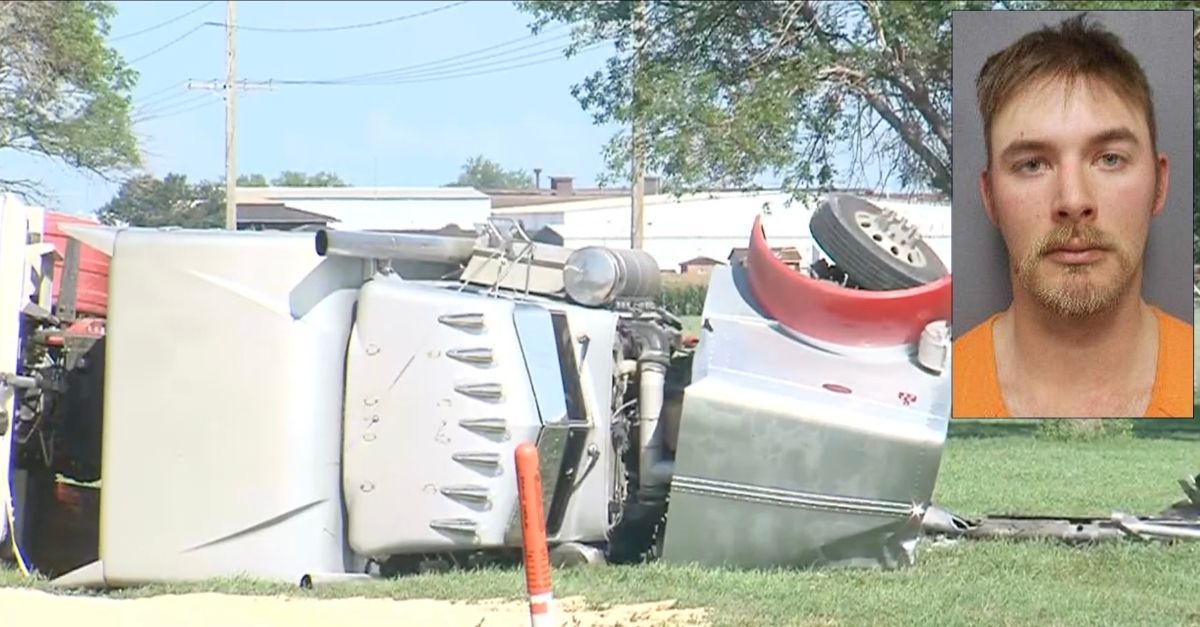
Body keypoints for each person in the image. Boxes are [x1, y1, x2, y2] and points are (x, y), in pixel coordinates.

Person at [952, 14, 1192, 418]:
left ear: (1160, 185)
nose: (1074, 200)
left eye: (1110, 158)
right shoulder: (939, 393)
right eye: (1032, 164)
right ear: (991, 197)